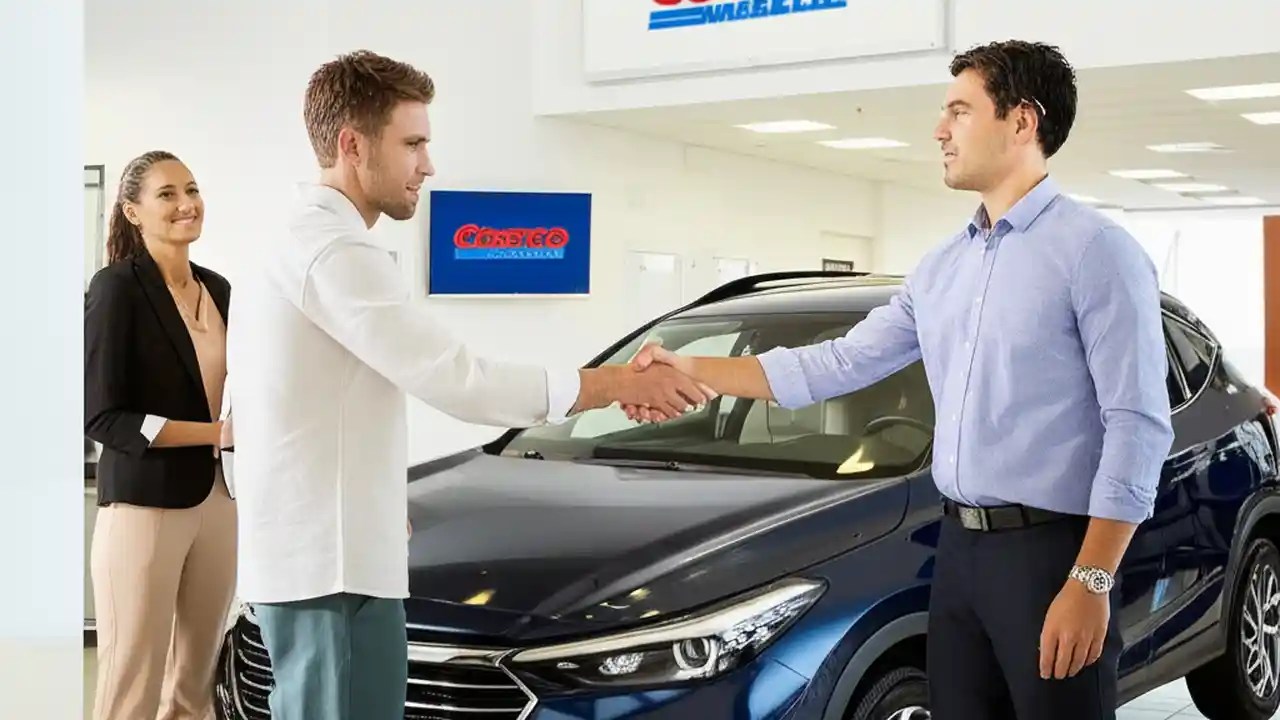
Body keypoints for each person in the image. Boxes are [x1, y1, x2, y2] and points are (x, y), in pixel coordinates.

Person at [626, 40, 1174, 720]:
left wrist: (1091, 578)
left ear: (1022, 122)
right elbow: (838, 362)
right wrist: (692, 368)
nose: (939, 130)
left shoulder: (1097, 252)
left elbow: (1139, 424)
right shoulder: (944, 265)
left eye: (959, 111)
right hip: (959, 554)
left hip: (1052, 554)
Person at [225, 50, 711, 720]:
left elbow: (273, 412)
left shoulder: (299, 240)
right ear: (352, 145)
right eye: (414, 143)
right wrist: (616, 384)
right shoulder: (332, 252)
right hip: (325, 574)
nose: (428, 164)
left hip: (336, 558)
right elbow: (461, 382)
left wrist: (360, 504)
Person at [84, 150, 237, 720]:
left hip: (221, 499)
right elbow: (104, 415)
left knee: (196, 683)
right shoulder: (116, 289)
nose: (186, 204)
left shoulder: (220, 289)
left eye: (191, 190)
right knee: (132, 683)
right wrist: (215, 433)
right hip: (143, 507)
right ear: (132, 212)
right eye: (167, 194)